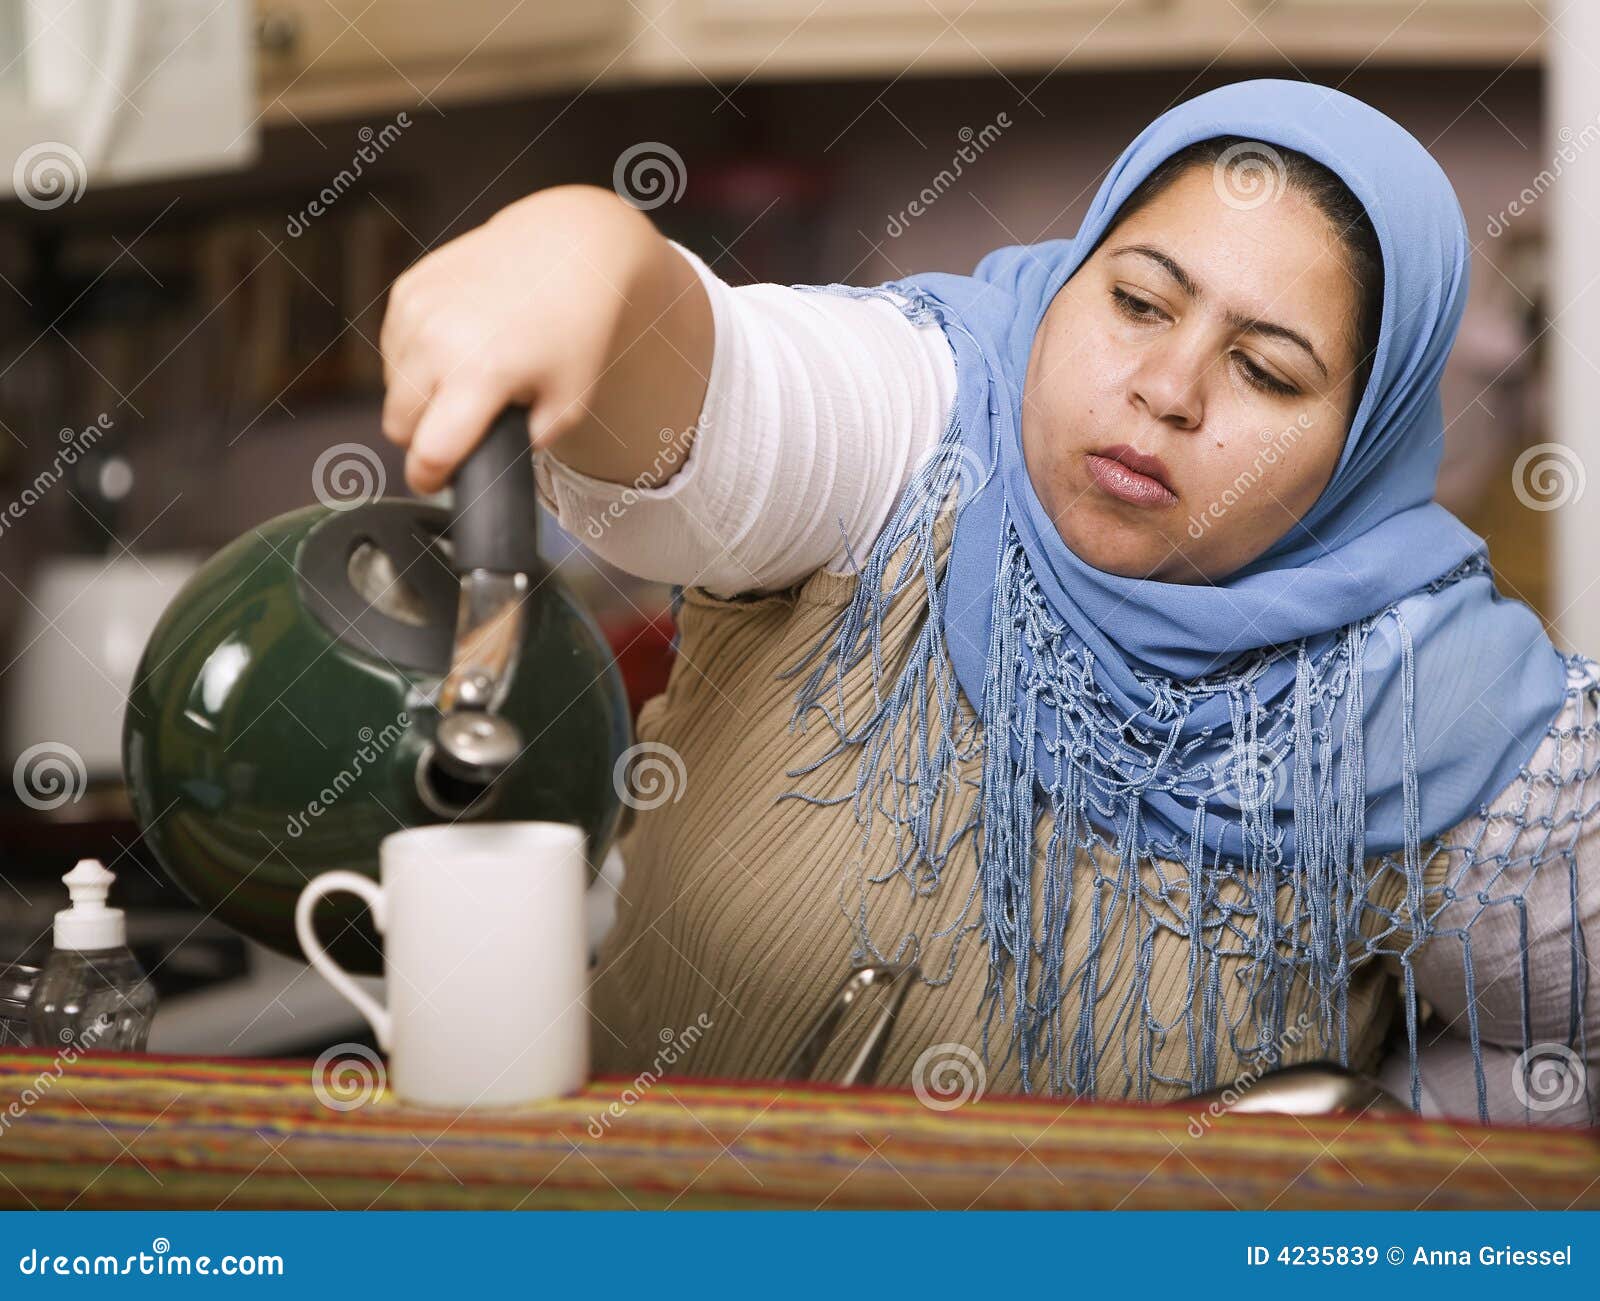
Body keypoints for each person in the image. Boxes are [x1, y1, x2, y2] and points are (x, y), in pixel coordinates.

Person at [378, 78, 1599, 1126]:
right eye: (1135, 302)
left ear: (1360, 445)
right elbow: (722, 407)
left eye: (1265, 369)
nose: (1166, 388)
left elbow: (1566, 1045)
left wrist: (1349, 1182)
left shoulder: (1437, 701)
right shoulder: (917, 433)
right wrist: (593, 258)